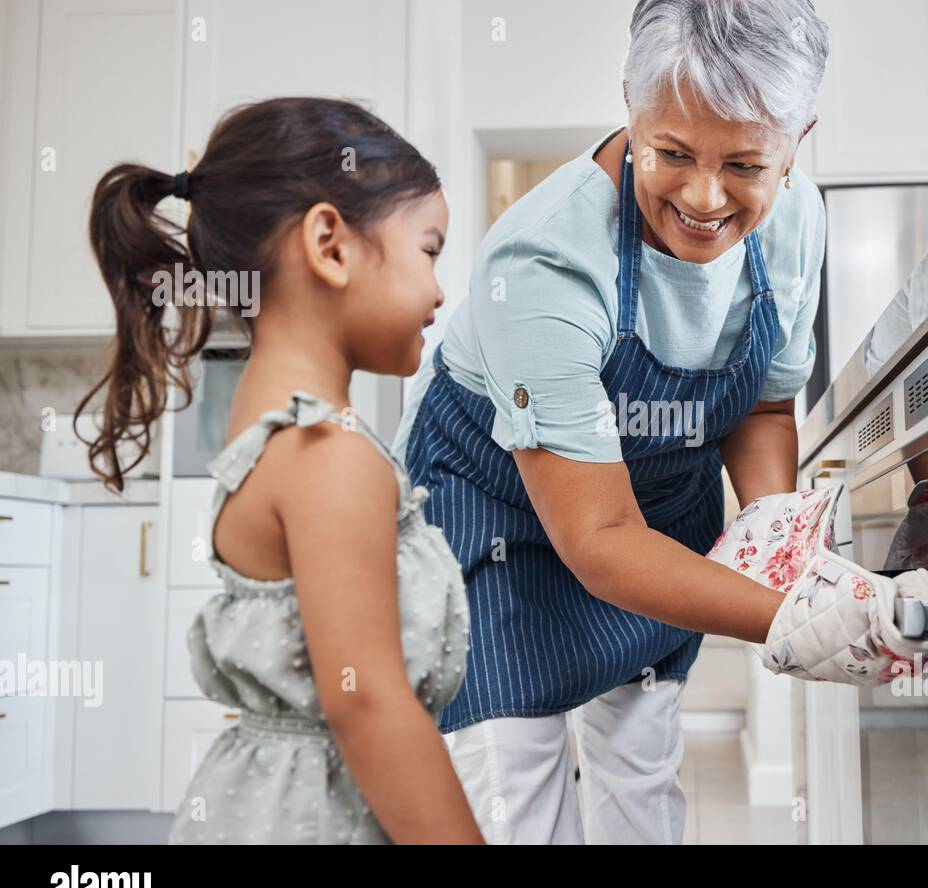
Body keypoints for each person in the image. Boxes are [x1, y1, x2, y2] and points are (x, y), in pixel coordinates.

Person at [394, 0, 842, 844]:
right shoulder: (547, 263)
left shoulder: (797, 223)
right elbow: (598, 535)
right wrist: (786, 616)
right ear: (629, 105)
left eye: (746, 163)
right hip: (497, 521)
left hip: (657, 514)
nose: (705, 198)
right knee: (514, 784)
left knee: (639, 771)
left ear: (798, 140)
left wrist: (778, 541)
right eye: (671, 152)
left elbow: (767, 404)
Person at [79, 97, 483, 844]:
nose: (439, 290)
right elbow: (368, 705)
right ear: (330, 243)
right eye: (429, 250)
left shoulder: (270, 428)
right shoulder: (329, 455)